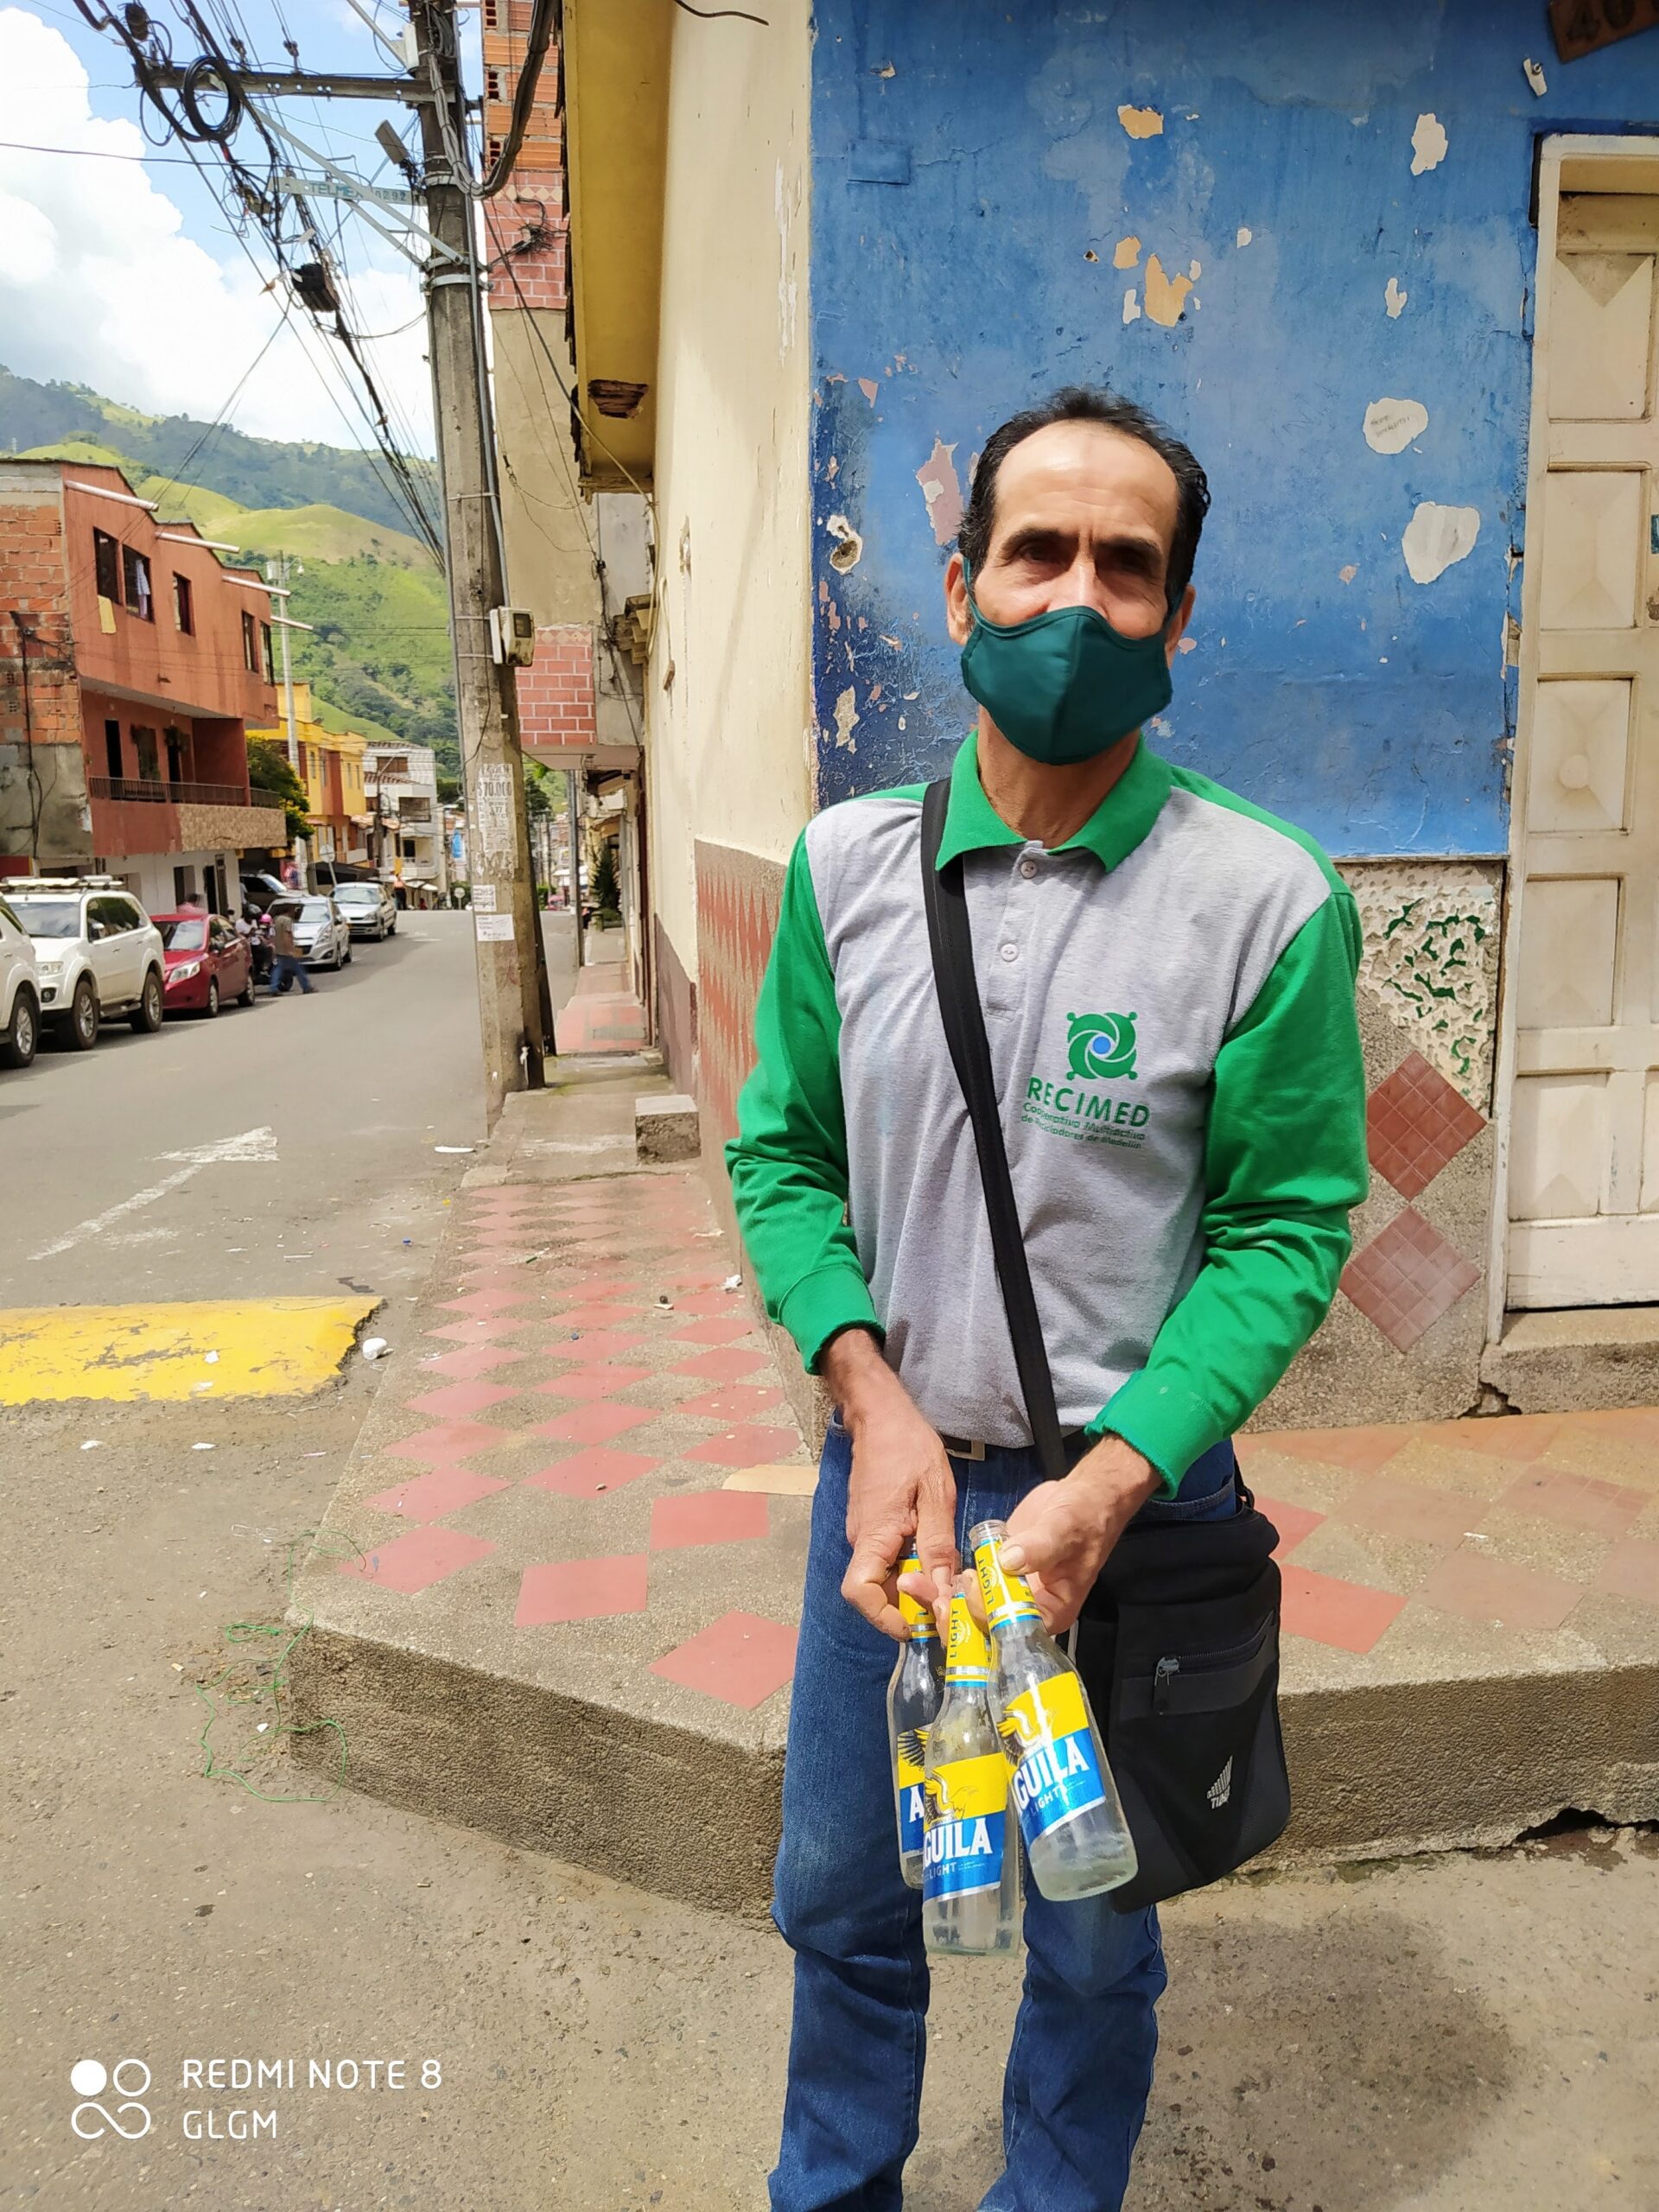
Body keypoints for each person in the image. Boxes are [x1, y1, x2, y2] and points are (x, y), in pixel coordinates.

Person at [727, 386, 1369, 2212]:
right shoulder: (842, 869)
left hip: (1128, 1516)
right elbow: (782, 1162)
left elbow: (1284, 1229)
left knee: (1092, 1936)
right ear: (959, 585)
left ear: (1175, 612)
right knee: (847, 1903)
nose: (1078, 600)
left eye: (1128, 564)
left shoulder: (1264, 900)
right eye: (1038, 553)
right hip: (902, 1516)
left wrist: (1111, 1479)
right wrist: (871, 1397)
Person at [267, 902, 314, 996]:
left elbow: (272, 934)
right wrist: (291, 949)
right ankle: (306, 986)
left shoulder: (277, 919)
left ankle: (273, 987)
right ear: (289, 910)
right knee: (299, 967)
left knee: (278, 968)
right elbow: (287, 935)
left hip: (279, 947)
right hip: (288, 948)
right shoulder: (288, 920)